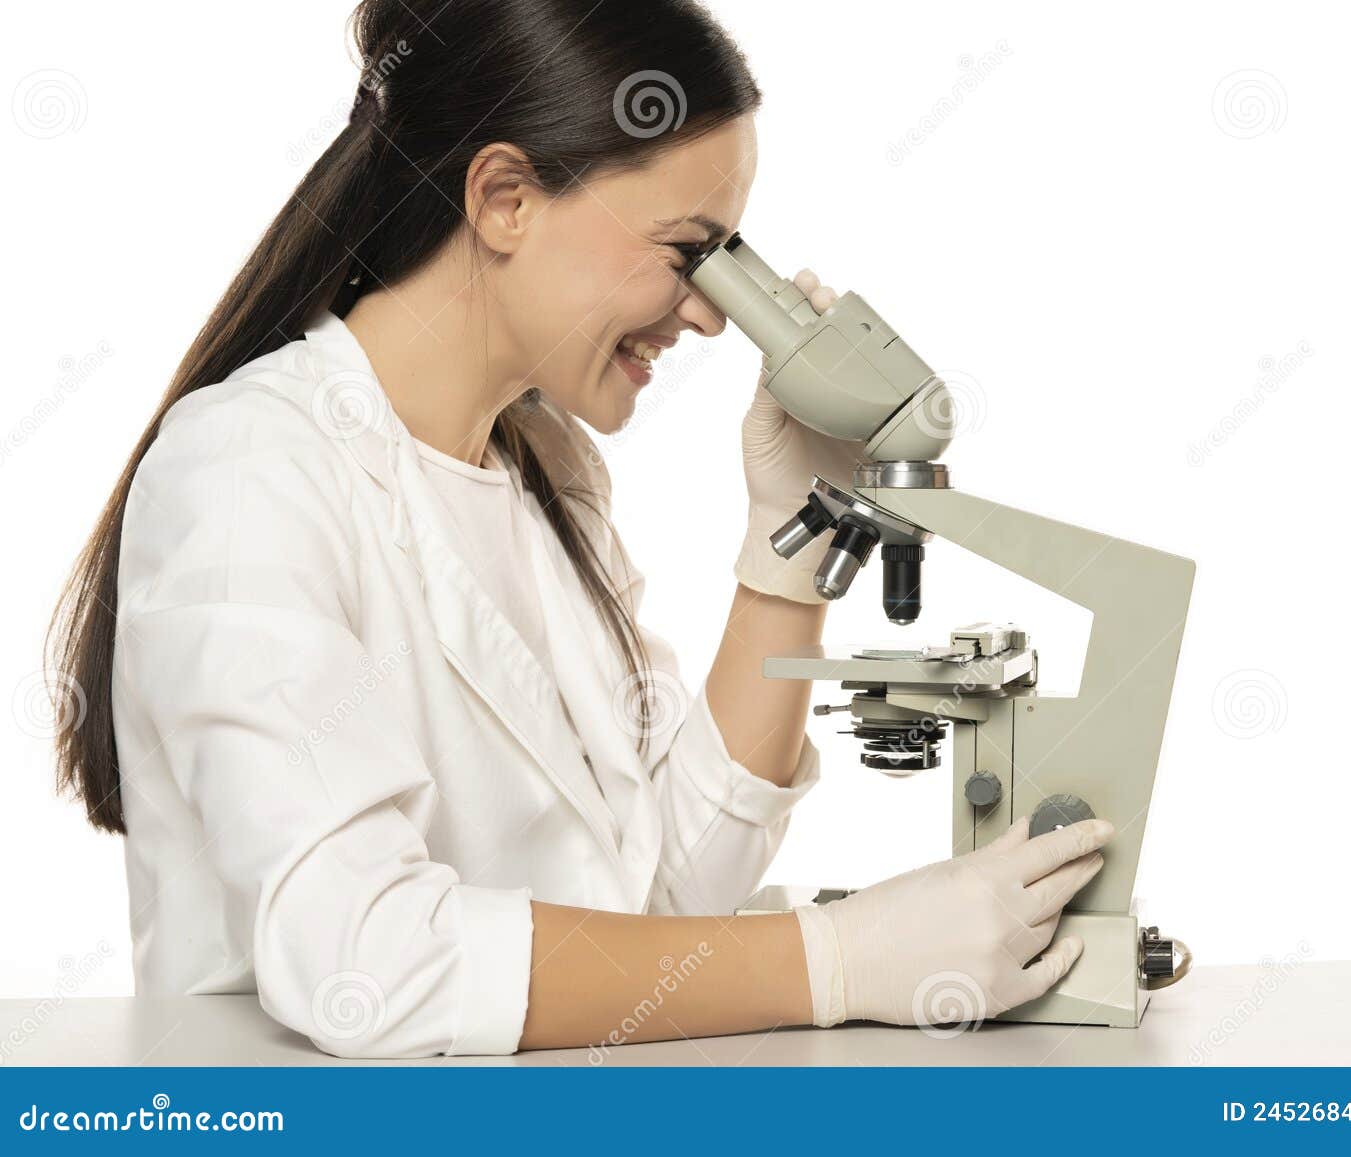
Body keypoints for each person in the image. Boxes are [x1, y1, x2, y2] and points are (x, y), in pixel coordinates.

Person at [48, 0, 1110, 1058]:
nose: (706, 313)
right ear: (505, 198)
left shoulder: (547, 471)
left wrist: (781, 555)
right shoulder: (250, 469)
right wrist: (832, 957)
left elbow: (655, 898)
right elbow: (365, 962)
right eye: (687, 251)